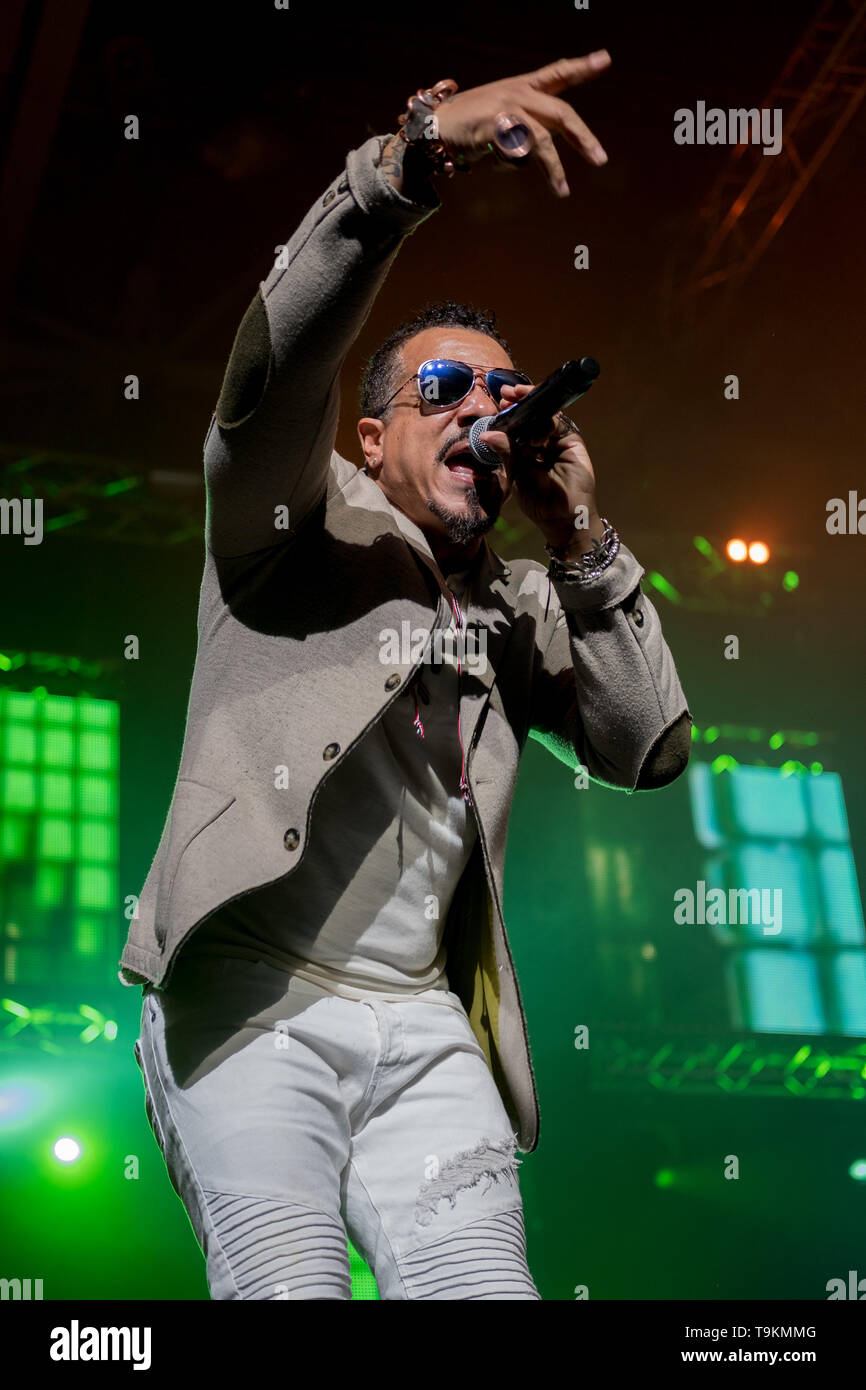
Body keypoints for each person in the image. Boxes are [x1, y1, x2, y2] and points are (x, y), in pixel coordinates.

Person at [121, 51, 692, 1300]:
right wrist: (409, 163)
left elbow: (648, 747)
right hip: (252, 996)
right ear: (371, 436)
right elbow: (274, 369)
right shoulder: (287, 526)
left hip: (429, 1029)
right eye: (443, 390)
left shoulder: (518, 601)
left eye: (501, 393)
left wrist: (581, 539)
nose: (484, 412)